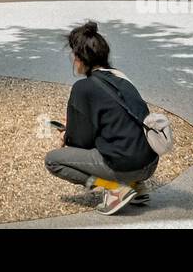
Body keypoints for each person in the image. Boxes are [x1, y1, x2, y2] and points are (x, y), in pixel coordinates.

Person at [45, 21, 157, 215]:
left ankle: (115, 188)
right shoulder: (122, 79)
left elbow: (81, 142)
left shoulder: (83, 88)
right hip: (150, 162)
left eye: (74, 56)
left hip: (124, 164)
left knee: (53, 160)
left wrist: (67, 135)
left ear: (80, 58)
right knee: (120, 136)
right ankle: (137, 187)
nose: (73, 61)